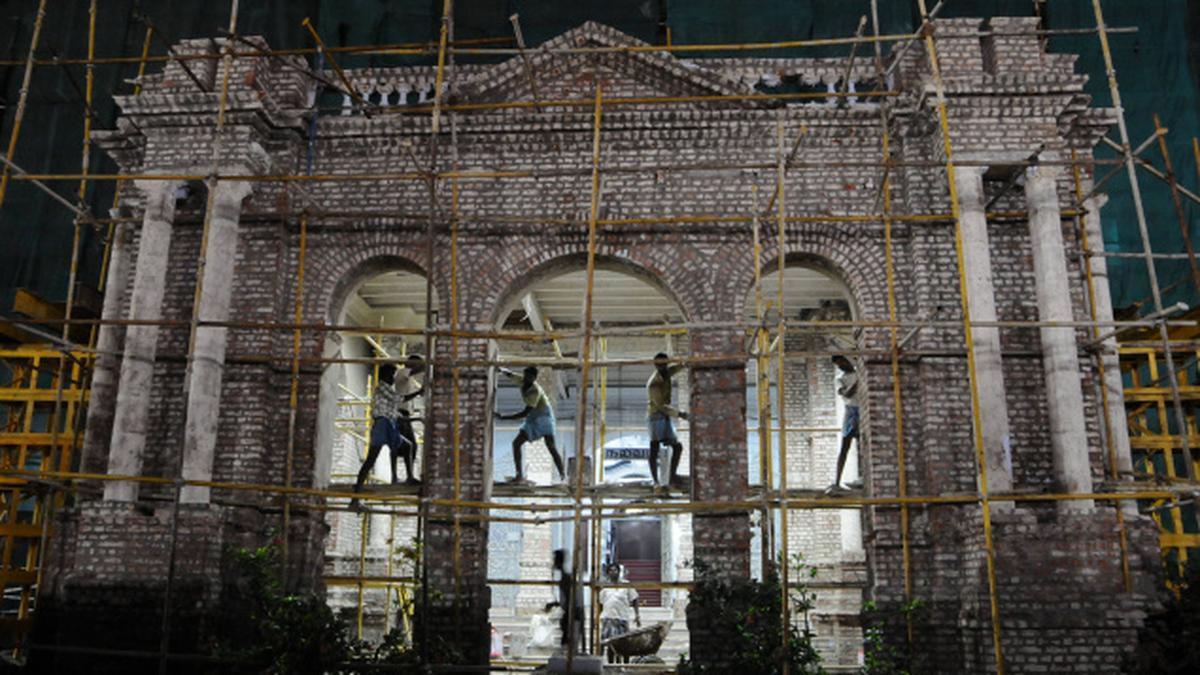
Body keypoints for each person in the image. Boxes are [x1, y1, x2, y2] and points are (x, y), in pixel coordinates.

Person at [351, 363, 412, 510]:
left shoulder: (385, 394)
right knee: (371, 460)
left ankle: (398, 478)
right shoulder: (382, 386)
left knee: (404, 446)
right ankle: (355, 499)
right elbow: (398, 399)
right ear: (385, 376)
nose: (392, 379)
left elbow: (394, 412)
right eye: (392, 375)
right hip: (382, 424)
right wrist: (419, 392)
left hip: (386, 424)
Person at [494, 366, 565, 485]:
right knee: (516, 443)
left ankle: (563, 476)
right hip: (533, 416)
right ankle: (519, 476)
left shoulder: (535, 391)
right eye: (525, 376)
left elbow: (524, 413)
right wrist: (500, 369)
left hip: (544, 416)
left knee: (551, 446)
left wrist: (503, 417)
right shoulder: (522, 380)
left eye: (529, 377)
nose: (526, 379)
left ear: (534, 378)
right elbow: (510, 374)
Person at [647, 352, 688, 488]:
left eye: (665, 364)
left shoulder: (666, 372)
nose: (663, 367)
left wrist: (685, 364)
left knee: (677, 447)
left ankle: (672, 477)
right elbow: (661, 406)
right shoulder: (654, 383)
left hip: (664, 415)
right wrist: (681, 414)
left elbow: (674, 369)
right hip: (655, 416)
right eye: (660, 365)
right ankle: (655, 481)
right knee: (655, 447)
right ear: (656, 365)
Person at [827, 355, 864, 494]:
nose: (841, 366)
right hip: (851, 411)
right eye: (839, 365)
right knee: (845, 446)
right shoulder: (839, 379)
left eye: (843, 363)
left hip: (863, 410)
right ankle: (836, 482)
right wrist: (859, 381)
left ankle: (863, 476)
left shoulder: (858, 371)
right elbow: (847, 394)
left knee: (863, 444)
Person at [392, 354, 425, 485]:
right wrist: (426, 366)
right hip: (400, 413)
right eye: (418, 364)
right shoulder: (402, 372)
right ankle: (405, 477)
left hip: (405, 413)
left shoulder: (409, 379)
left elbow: (412, 393)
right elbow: (413, 371)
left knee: (406, 446)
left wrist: (420, 391)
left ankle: (406, 476)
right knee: (407, 445)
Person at [599, 562, 640, 663]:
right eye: (610, 571)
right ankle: (611, 667)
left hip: (622, 618)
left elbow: (635, 599)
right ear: (608, 573)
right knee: (610, 645)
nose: (613, 572)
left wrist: (637, 615)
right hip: (608, 618)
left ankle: (625, 667)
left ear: (619, 571)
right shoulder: (605, 588)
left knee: (624, 645)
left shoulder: (626, 584)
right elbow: (600, 603)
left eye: (615, 570)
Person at [549, 549, 585, 654]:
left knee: (569, 646)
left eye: (555, 560)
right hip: (572, 614)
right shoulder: (565, 578)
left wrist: (567, 616)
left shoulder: (566, 578)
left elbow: (571, 600)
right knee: (568, 645)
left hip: (573, 615)